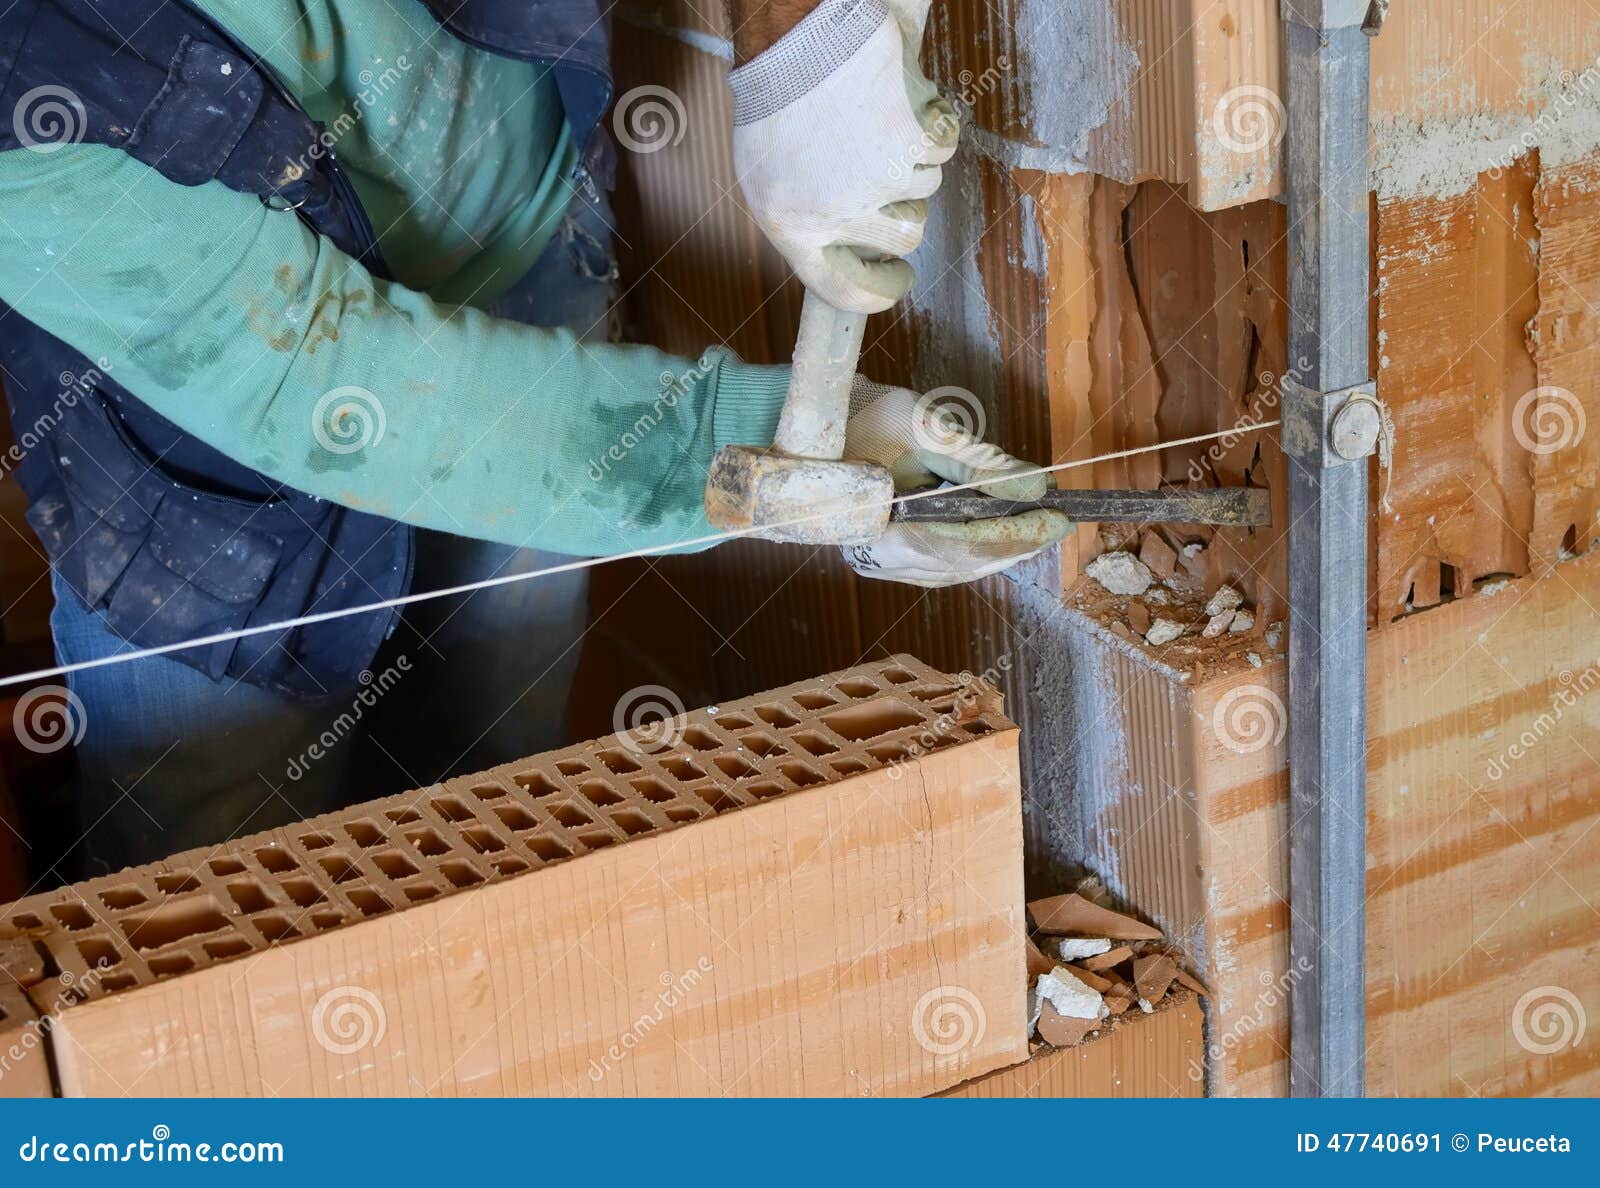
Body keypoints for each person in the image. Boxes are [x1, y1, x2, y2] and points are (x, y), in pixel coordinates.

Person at [0, 0, 1069, 874]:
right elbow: (319, 370)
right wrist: (771, 453)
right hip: (197, 445)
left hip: (515, 243)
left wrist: (804, 44)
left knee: (488, 809)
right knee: (214, 893)